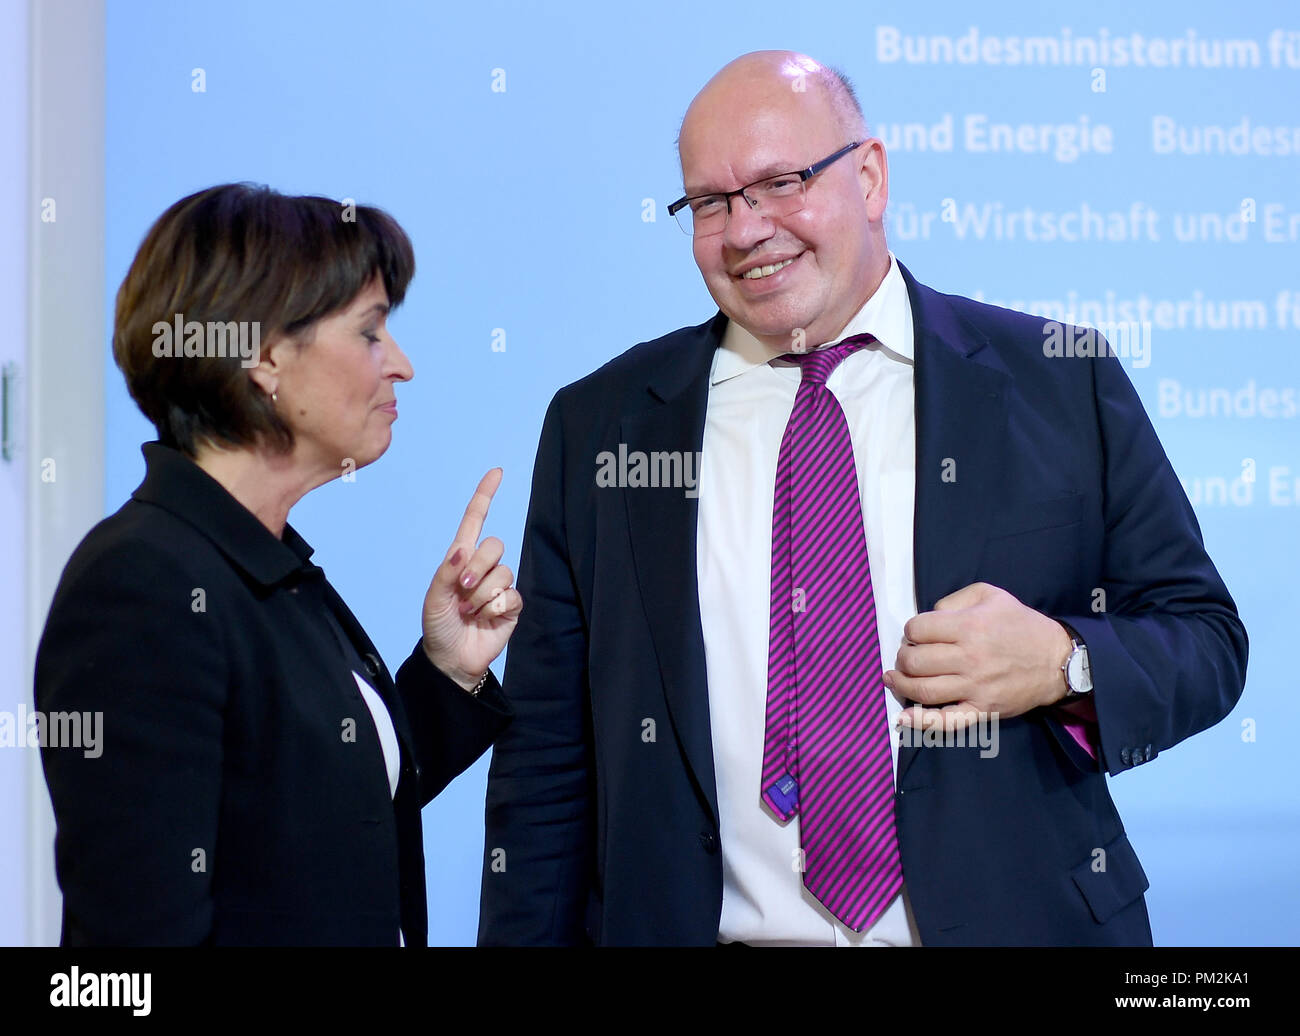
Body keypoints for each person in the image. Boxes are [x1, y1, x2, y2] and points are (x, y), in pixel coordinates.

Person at [476, 51, 1248, 946]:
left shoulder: (1057, 379)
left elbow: (1206, 640)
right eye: (711, 203)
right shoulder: (603, 425)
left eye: (779, 183)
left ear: (870, 176)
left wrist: (1063, 662)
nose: (746, 231)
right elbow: (545, 764)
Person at [35, 183, 520, 946]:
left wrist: (447, 669)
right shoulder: (144, 584)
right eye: (371, 331)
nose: (401, 365)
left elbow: (323, 815)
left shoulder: (264, 570)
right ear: (261, 357)